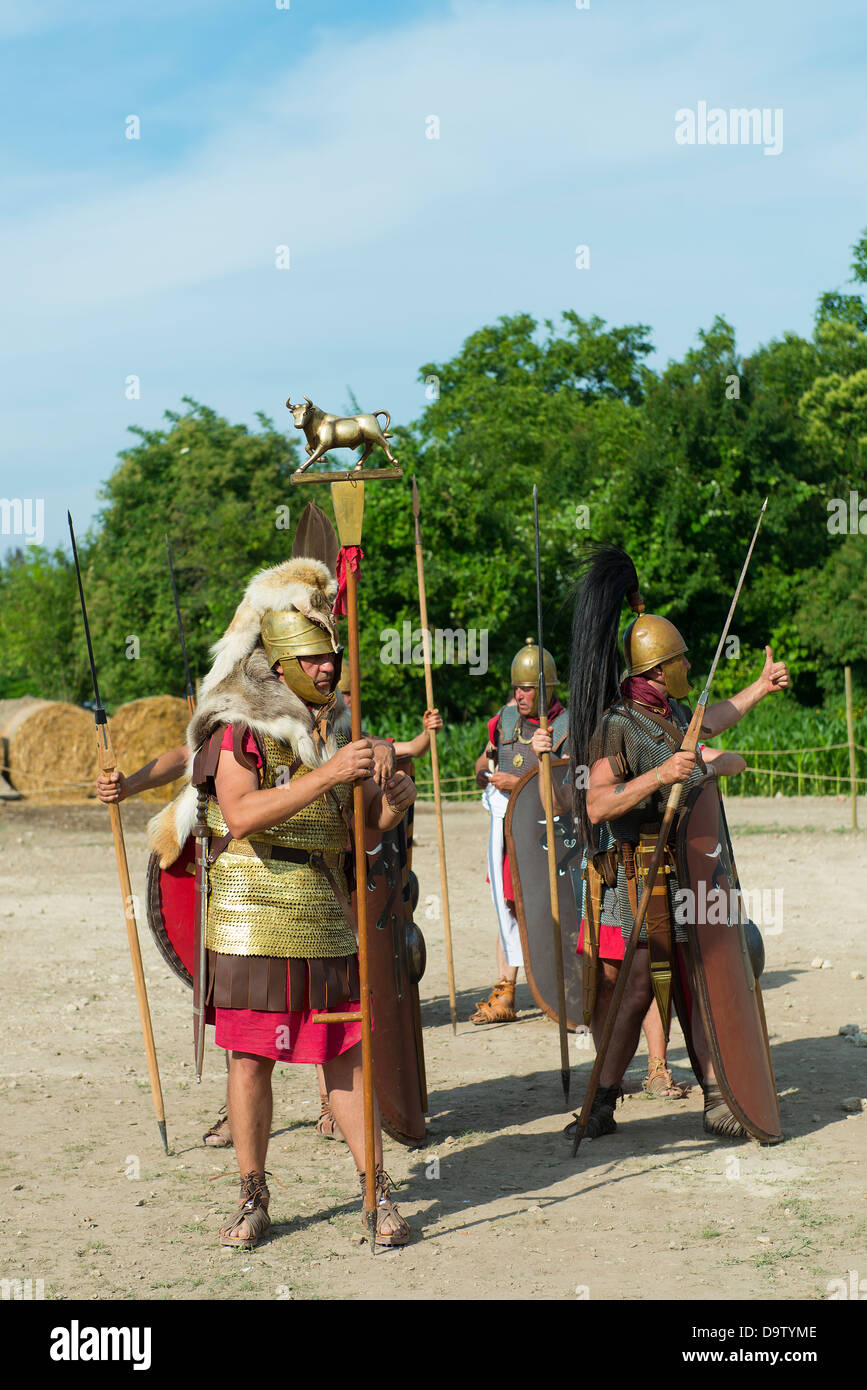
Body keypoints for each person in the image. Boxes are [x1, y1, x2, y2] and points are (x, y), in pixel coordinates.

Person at [152, 553, 417, 1247]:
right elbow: (239, 815)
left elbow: (353, 838)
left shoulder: (331, 729)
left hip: (323, 911)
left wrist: (390, 807)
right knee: (252, 1060)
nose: (327, 669)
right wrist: (330, 770)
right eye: (313, 659)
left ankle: (374, 1193)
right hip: (251, 913)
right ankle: (252, 1197)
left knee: (343, 1053)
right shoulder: (237, 728)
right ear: (275, 661)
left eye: (331, 658)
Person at [567, 544, 789, 1140]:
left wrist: (759, 690)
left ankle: (722, 1096)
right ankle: (601, 1104)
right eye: (680, 661)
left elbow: (712, 721)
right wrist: (663, 775)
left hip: (687, 871)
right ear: (654, 672)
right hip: (639, 876)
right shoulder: (618, 723)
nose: (688, 666)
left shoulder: (675, 712)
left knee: (702, 974)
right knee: (635, 988)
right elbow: (598, 802)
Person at [470, 641, 568, 1024]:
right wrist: (485, 773)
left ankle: (558, 991)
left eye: (527, 688)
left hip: (551, 835)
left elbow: (568, 789)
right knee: (506, 904)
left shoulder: (567, 726)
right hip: (509, 833)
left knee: (546, 911)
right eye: (517, 688)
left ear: (546, 689)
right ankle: (506, 992)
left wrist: (522, 783)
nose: (519, 695)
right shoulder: (506, 720)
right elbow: (486, 755)